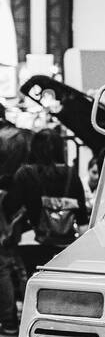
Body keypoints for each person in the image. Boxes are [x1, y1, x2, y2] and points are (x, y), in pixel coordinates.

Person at [4, 128, 88, 304]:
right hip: (65, 245)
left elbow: (10, 206)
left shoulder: (25, 174)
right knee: (61, 294)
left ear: (33, 148)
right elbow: (82, 218)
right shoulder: (72, 175)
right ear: (60, 149)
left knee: (35, 290)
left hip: (34, 243)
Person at [0, 120, 32, 336]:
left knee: (3, 266)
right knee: (12, 263)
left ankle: (9, 318)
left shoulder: (3, 139)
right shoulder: (22, 137)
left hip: (3, 214)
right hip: (13, 215)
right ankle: (17, 316)